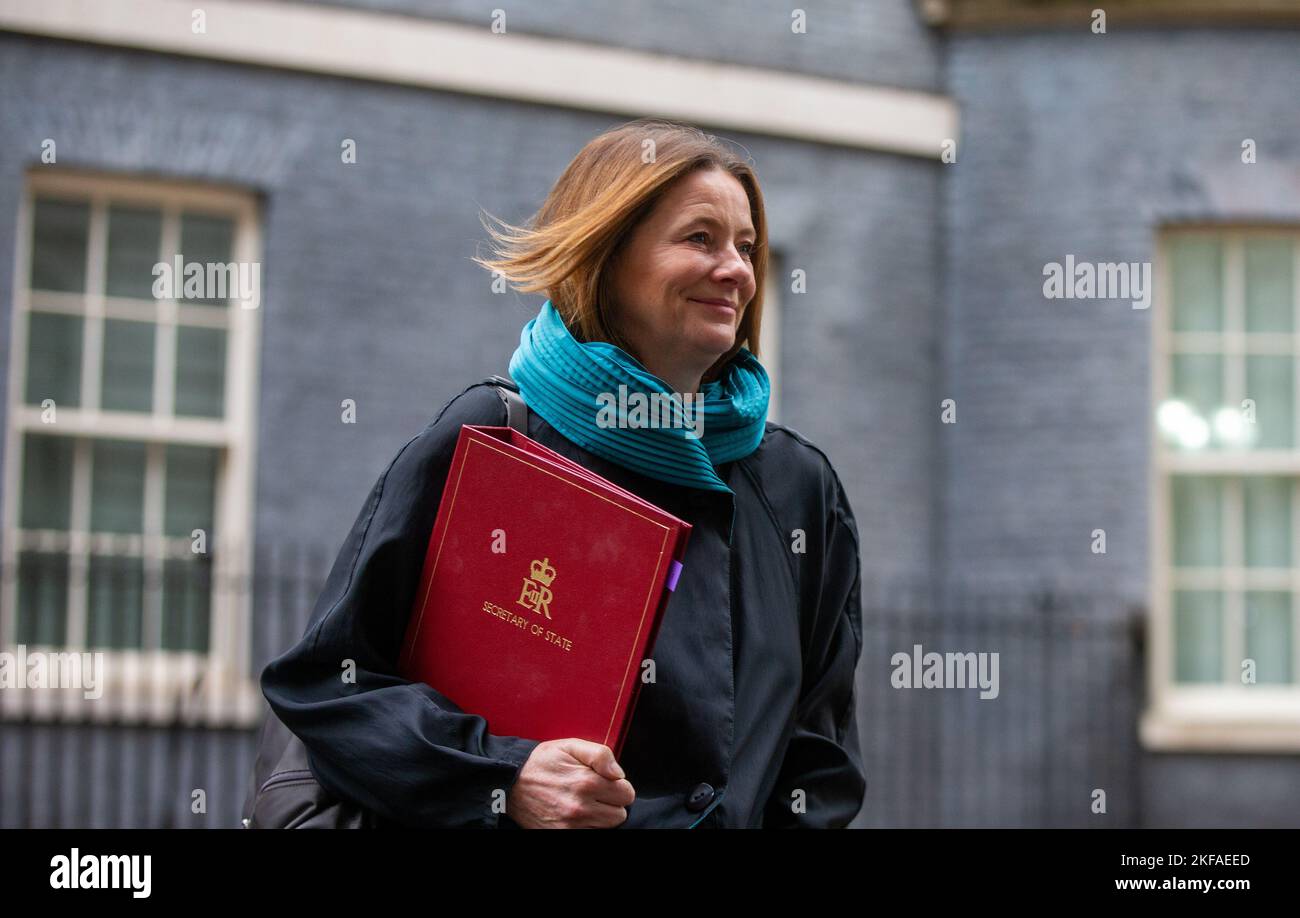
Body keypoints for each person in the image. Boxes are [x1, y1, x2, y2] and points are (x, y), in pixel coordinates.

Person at [260, 118, 866, 828]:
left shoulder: (800, 488)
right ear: (607, 256)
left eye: (746, 247)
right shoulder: (493, 434)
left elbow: (819, 766)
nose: (736, 269)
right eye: (700, 238)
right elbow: (329, 685)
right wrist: (503, 776)